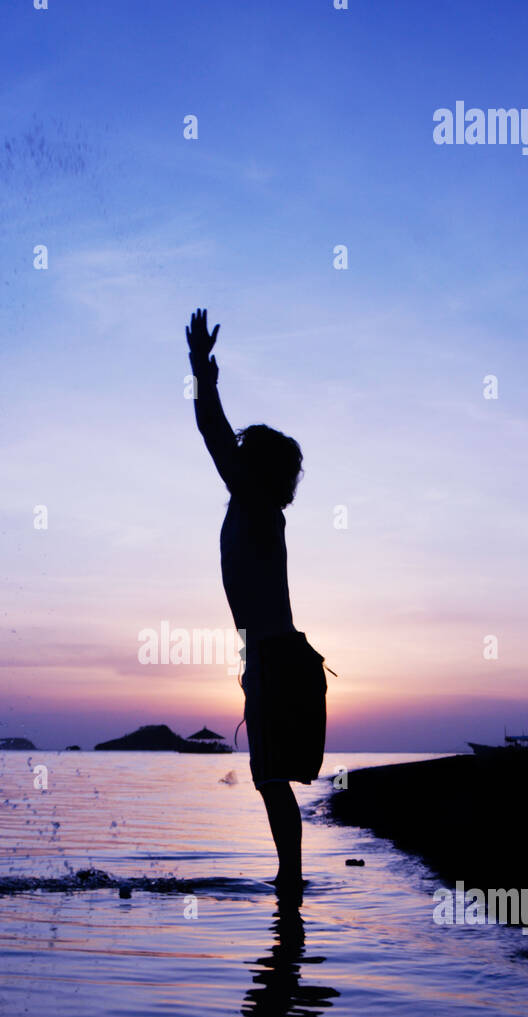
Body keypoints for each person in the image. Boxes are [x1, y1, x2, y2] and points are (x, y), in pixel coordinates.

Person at [186, 308, 328, 902]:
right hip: (276, 656)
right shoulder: (258, 510)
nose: (235, 460)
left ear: (257, 469)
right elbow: (222, 443)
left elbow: (214, 436)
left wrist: (203, 373)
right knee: (272, 779)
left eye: (247, 456)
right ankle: (289, 883)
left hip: (275, 658)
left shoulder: (257, 505)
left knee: (271, 779)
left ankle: (290, 887)